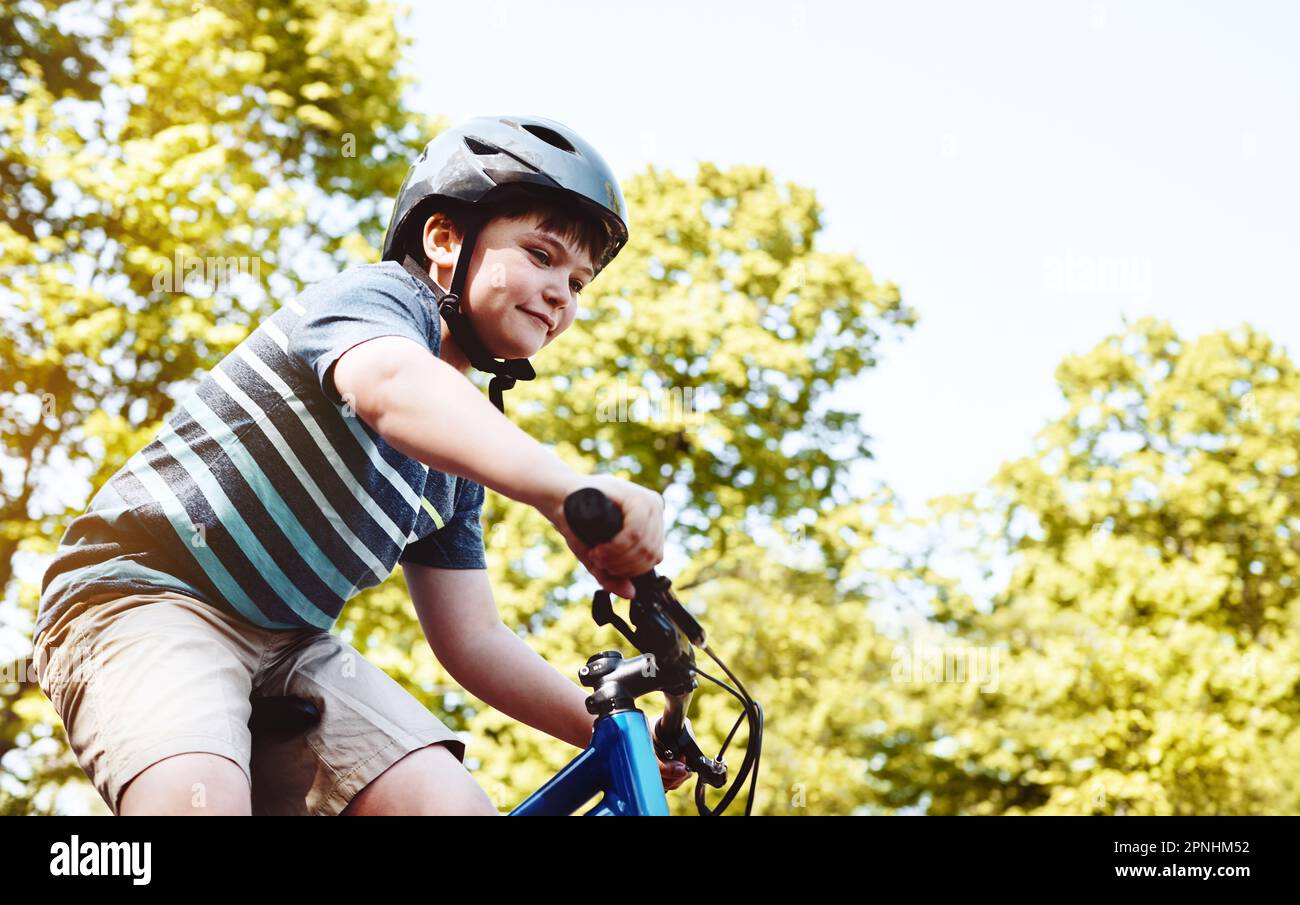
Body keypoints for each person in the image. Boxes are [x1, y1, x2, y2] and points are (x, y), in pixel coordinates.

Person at [32, 114, 689, 815]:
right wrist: (564, 490)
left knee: (452, 804)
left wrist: (615, 731)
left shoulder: (458, 462)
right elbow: (391, 388)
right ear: (443, 239)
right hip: (146, 595)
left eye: (580, 282)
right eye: (540, 254)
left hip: (288, 649)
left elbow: (474, 639)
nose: (562, 291)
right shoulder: (375, 303)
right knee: (196, 796)